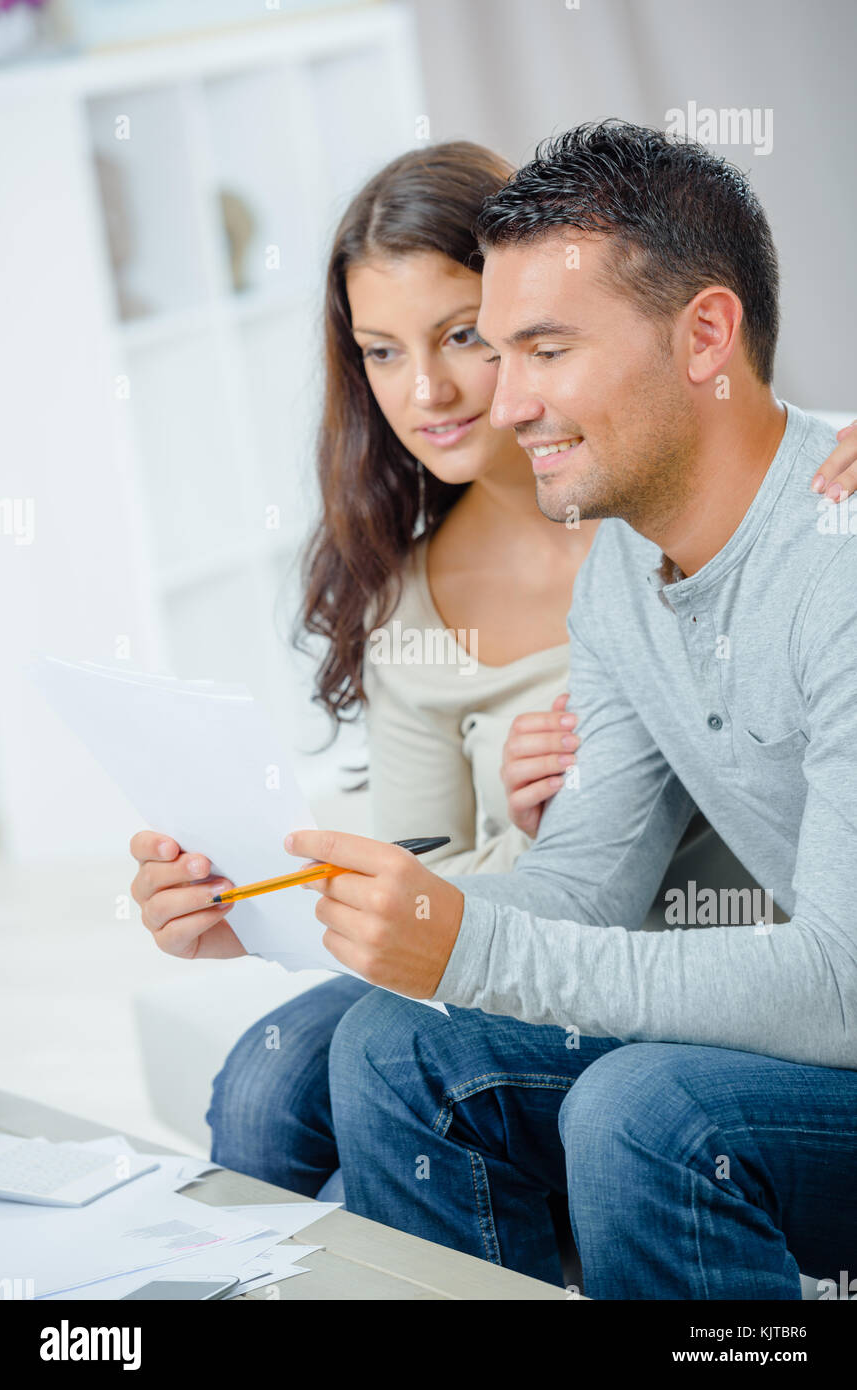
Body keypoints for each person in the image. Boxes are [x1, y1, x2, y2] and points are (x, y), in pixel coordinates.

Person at [129, 129, 857, 1295]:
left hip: (821, 1009)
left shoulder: (837, 545)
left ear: (705, 337)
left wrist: (474, 942)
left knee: (644, 1109)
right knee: (393, 1041)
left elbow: (839, 981)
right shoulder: (626, 568)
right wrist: (285, 902)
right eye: (499, 349)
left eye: (540, 350)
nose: (498, 402)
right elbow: (580, 888)